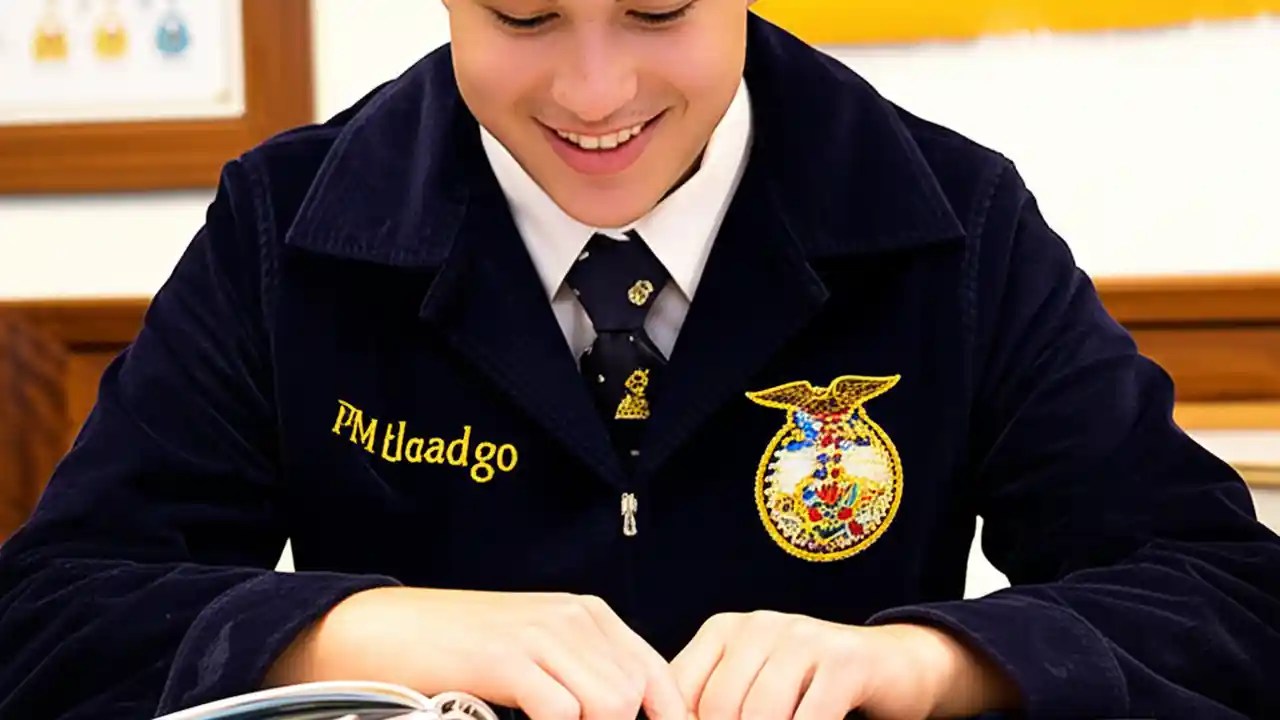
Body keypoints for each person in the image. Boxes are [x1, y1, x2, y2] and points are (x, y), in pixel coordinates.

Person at [1, 0, 1278, 718]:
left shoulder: (944, 218)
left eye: (658, 7)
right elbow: (48, 621)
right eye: (523, 12)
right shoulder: (294, 226)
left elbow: (1225, 601)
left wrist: (920, 662)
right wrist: (368, 629)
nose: (594, 91)